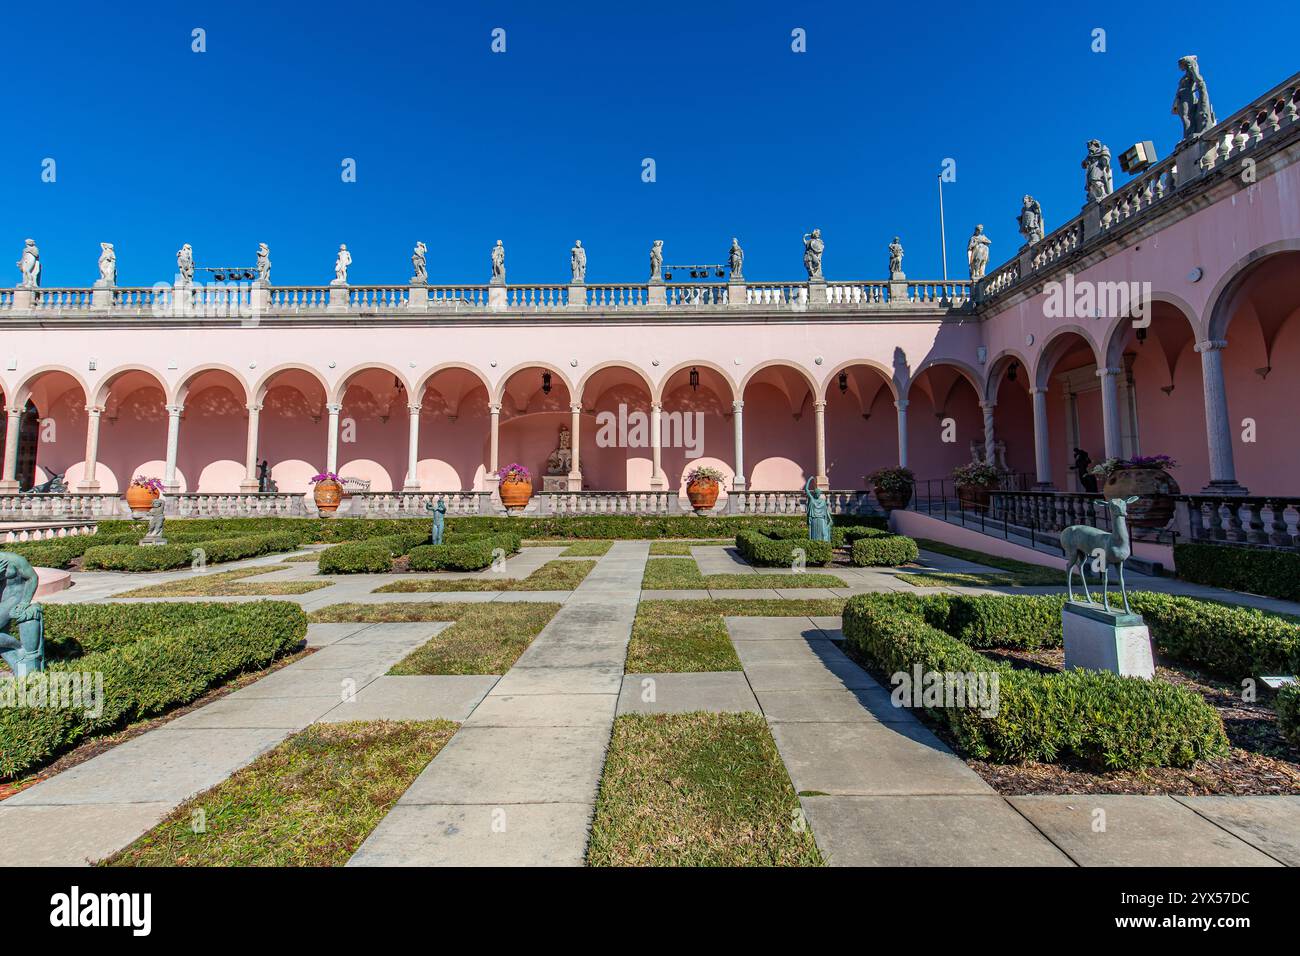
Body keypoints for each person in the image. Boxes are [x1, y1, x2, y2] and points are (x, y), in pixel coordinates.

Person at [0, 550, 44, 677]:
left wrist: (25, 602)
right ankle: (20, 660)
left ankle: (19, 648)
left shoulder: (15, 559)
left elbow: (33, 577)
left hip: (15, 598)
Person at [804, 476, 832, 542]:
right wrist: (829, 518)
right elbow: (826, 511)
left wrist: (809, 479)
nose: (817, 494)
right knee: (821, 536)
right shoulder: (820, 501)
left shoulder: (814, 500)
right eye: (817, 493)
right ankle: (820, 547)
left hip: (816, 520)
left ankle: (817, 547)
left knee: (817, 536)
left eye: (818, 493)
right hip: (820, 520)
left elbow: (806, 489)